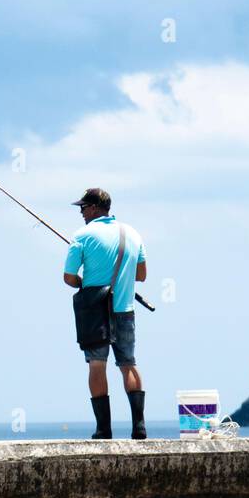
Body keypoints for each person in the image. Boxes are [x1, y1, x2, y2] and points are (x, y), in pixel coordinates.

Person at [62, 188, 148, 440]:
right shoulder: (132, 233)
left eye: (83, 208)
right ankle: (139, 427)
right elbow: (141, 275)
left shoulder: (82, 236)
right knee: (128, 365)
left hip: (95, 312)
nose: (81, 213)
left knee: (97, 365)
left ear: (95, 208)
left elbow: (68, 278)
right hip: (125, 310)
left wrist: (87, 283)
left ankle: (103, 430)